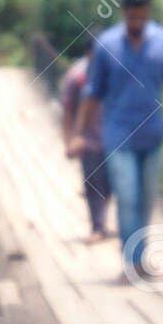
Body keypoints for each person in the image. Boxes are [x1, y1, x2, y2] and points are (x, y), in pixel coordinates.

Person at [67, 0, 163, 282]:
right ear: (124, 13)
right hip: (118, 134)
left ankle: (140, 257)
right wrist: (77, 133)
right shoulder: (106, 45)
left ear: (148, 13)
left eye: (141, 16)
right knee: (127, 195)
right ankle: (131, 263)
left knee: (146, 199)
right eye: (131, 16)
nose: (136, 22)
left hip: (152, 134)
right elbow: (92, 93)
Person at [60, 43, 111, 243]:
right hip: (87, 140)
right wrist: (69, 141)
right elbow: (68, 110)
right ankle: (97, 226)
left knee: (109, 183)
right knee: (92, 183)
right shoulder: (77, 77)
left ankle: (102, 220)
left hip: (113, 137)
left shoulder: (114, 72)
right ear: (88, 53)